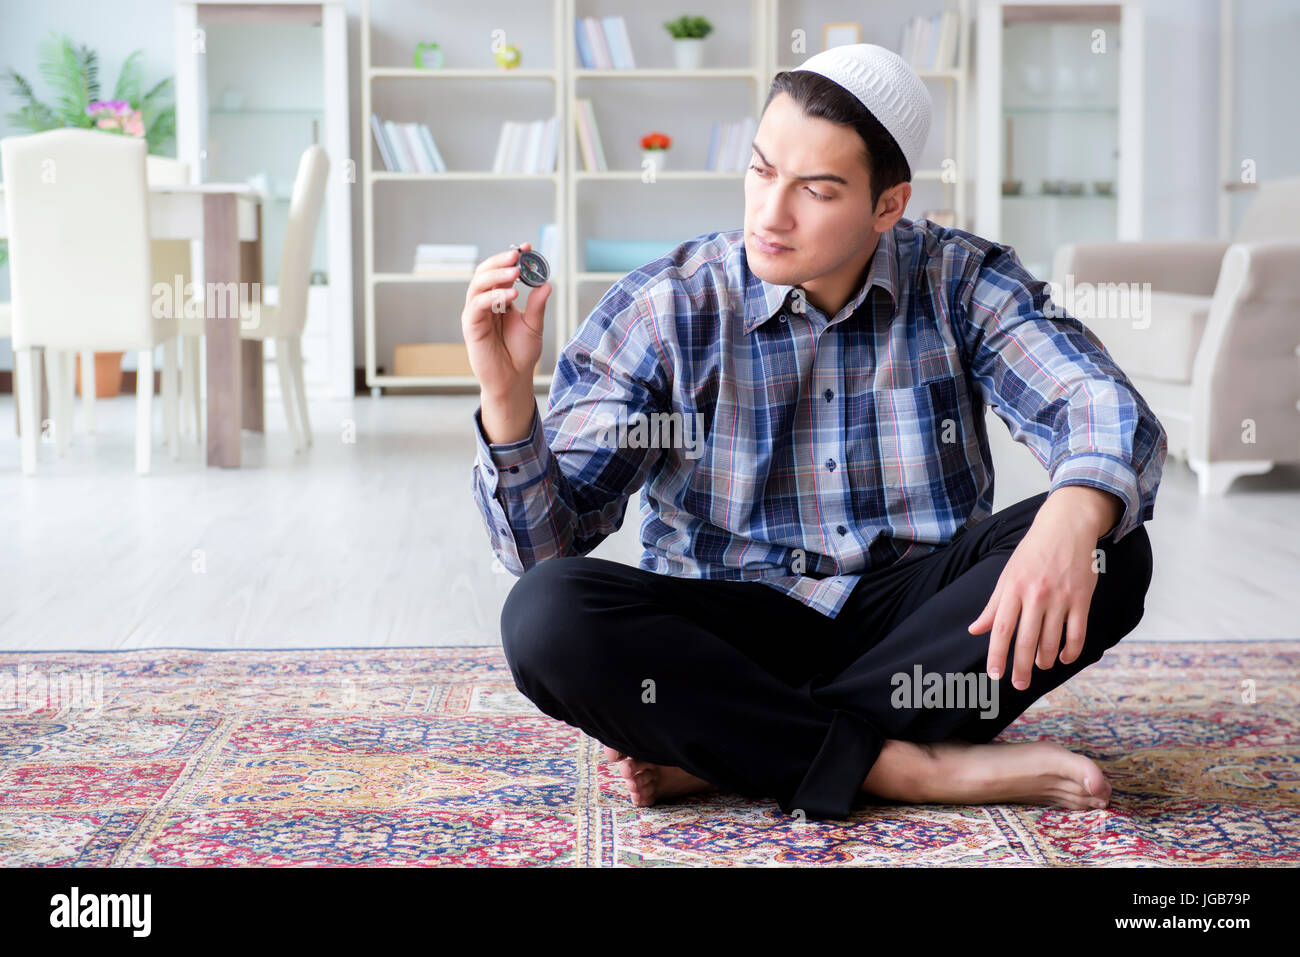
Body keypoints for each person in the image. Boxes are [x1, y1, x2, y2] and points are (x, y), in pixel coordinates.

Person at [460, 44, 1167, 820]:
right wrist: (506, 394)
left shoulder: (961, 279)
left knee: (1109, 542)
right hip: (731, 626)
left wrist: (1073, 513)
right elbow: (544, 553)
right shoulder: (669, 306)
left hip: (912, 624)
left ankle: (736, 745)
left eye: (817, 190)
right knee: (546, 615)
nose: (771, 213)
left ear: (887, 205)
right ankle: (911, 768)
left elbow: (1096, 400)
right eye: (761, 171)